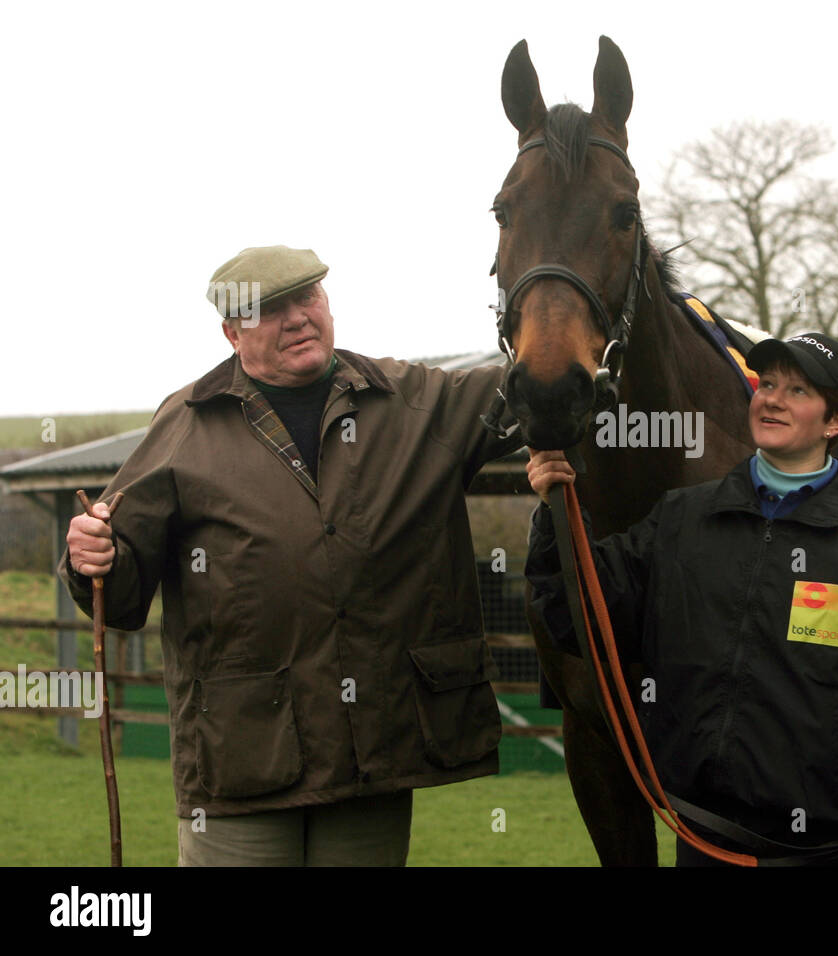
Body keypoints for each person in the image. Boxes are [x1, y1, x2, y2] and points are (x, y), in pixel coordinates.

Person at [62, 245, 517, 866]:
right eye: (269, 309)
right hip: (243, 758)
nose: (297, 317)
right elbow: (116, 589)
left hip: (372, 754)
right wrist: (91, 555)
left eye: (307, 297)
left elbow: (538, 390)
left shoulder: (413, 401)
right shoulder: (187, 424)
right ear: (231, 331)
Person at [525, 331, 838, 866]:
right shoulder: (683, 518)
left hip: (831, 844)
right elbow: (581, 615)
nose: (773, 399)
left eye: (798, 390)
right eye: (767, 384)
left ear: (834, 422)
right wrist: (554, 511)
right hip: (706, 836)